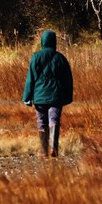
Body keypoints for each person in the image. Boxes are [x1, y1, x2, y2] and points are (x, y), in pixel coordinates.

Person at [22, 29, 73, 158]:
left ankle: (44, 151)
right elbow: (68, 80)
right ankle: (53, 148)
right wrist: (68, 97)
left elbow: (30, 79)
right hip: (56, 96)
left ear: (42, 42)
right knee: (54, 120)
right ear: (54, 42)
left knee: (41, 121)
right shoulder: (61, 58)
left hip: (39, 97)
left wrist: (26, 97)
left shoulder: (36, 57)